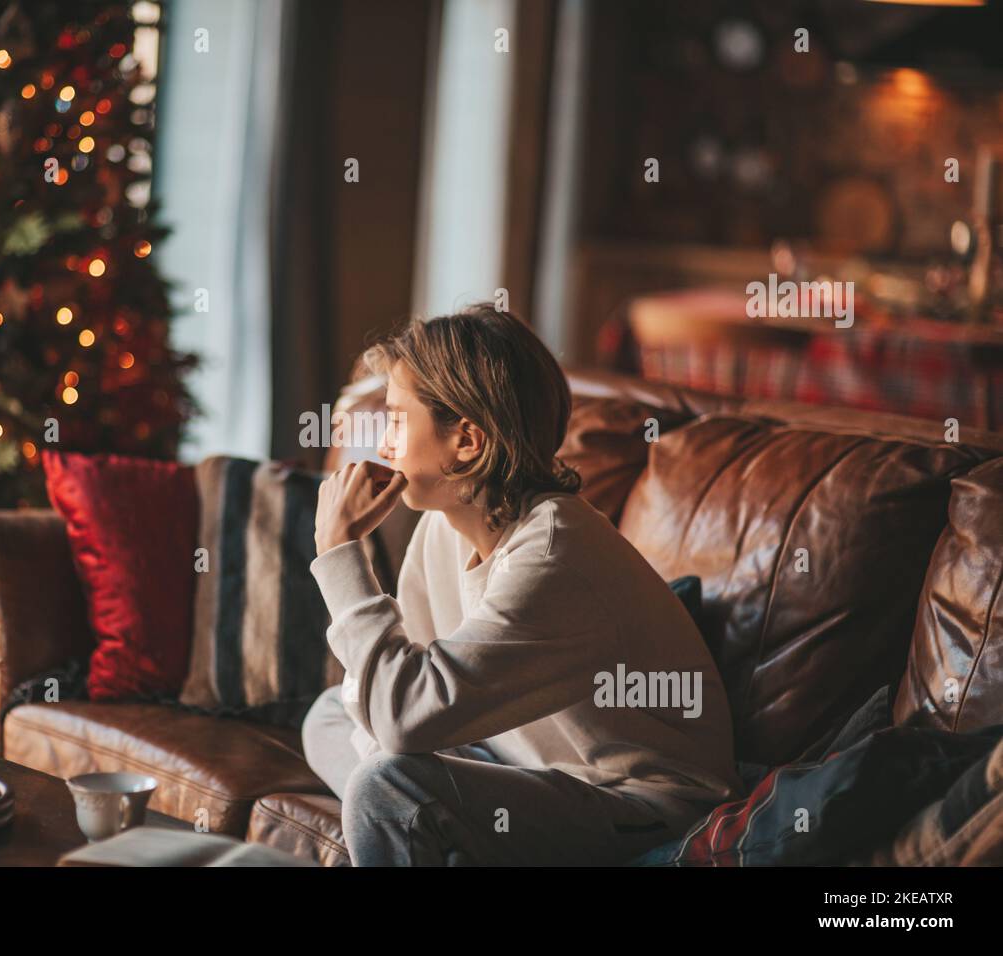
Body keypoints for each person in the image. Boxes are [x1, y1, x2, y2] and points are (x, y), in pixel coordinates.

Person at [301, 304, 744, 866]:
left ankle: (440, 830)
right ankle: (450, 832)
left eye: (395, 418)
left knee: (386, 786)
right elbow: (390, 693)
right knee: (327, 715)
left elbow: (402, 715)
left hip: (637, 805)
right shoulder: (444, 524)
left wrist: (339, 554)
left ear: (467, 441)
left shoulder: (557, 554)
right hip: (512, 760)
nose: (381, 442)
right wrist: (397, 732)